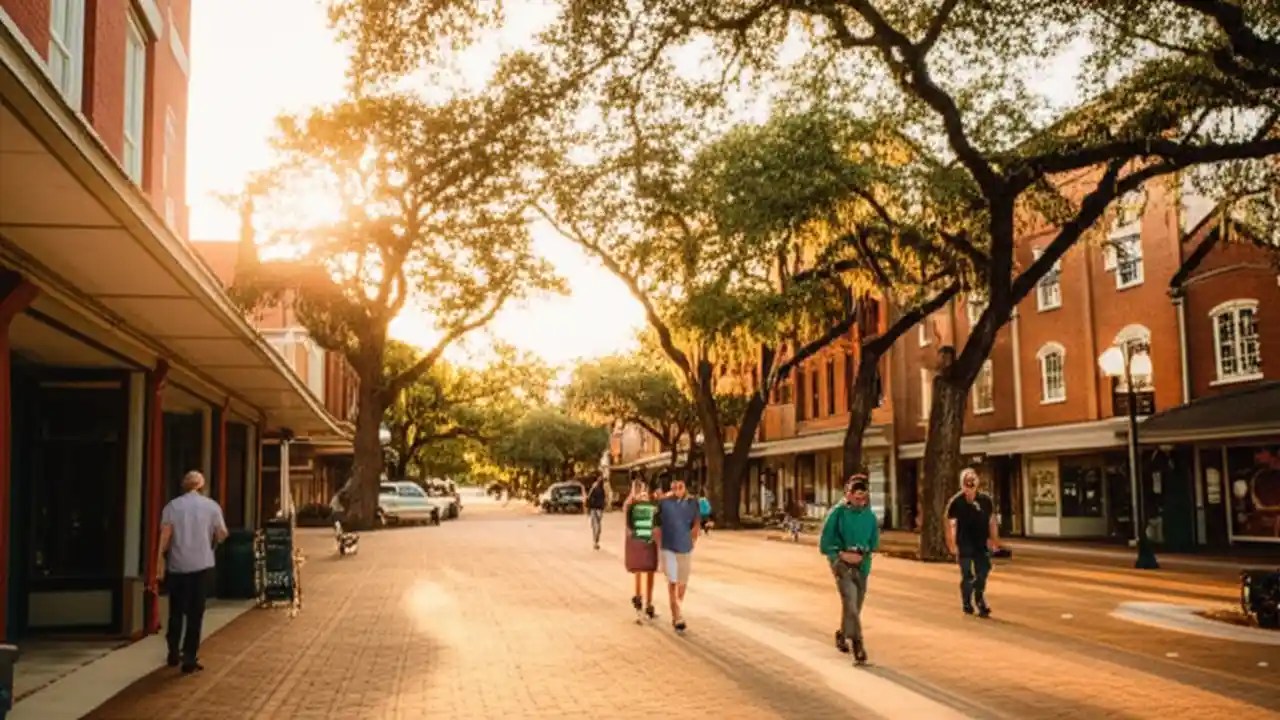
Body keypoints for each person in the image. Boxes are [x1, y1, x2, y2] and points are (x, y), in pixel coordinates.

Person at [153, 470, 228, 674]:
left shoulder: (172, 507)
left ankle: (173, 650)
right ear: (201, 486)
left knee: (176, 610)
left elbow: (165, 536)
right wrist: (212, 543)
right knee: (196, 613)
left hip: (178, 566)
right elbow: (221, 534)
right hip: (201, 565)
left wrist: (160, 558)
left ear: (183, 485)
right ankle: (189, 656)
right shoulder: (211, 506)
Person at [819, 474, 880, 665]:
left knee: (854, 607)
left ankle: (843, 633)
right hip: (842, 566)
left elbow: (874, 543)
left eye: (864, 498)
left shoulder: (870, 517)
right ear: (848, 495)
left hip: (862, 567)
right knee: (851, 601)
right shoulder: (837, 514)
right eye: (857, 497)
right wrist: (840, 555)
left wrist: (864, 553)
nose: (860, 502)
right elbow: (825, 544)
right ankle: (858, 644)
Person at [946, 467, 1001, 617]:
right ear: (962, 484)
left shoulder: (985, 500)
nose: (970, 484)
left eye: (973, 480)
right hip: (964, 543)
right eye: (967, 481)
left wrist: (994, 540)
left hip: (981, 542)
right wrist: (952, 543)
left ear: (977, 482)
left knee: (983, 571)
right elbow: (951, 524)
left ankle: (979, 597)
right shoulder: (956, 502)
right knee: (967, 575)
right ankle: (967, 602)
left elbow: (992, 521)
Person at [653, 478, 700, 632]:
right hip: (669, 547)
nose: (678, 490)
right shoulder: (664, 503)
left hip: (685, 547)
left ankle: (678, 606)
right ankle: (676, 616)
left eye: (681, 486)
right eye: (675, 487)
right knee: (673, 582)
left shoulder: (692, 503)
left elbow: (696, 523)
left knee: (683, 582)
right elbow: (656, 525)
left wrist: (693, 538)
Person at [623, 479, 659, 620]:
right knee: (641, 570)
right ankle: (641, 599)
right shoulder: (631, 505)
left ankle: (647, 602)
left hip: (647, 542)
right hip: (640, 542)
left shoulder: (650, 505)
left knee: (648, 571)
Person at [586, 475, 608, 549]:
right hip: (595, 509)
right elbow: (589, 498)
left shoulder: (601, 489)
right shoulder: (596, 488)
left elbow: (588, 498)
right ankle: (595, 542)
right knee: (597, 527)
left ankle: (596, 542)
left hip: (597, 509)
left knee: (597, 527)